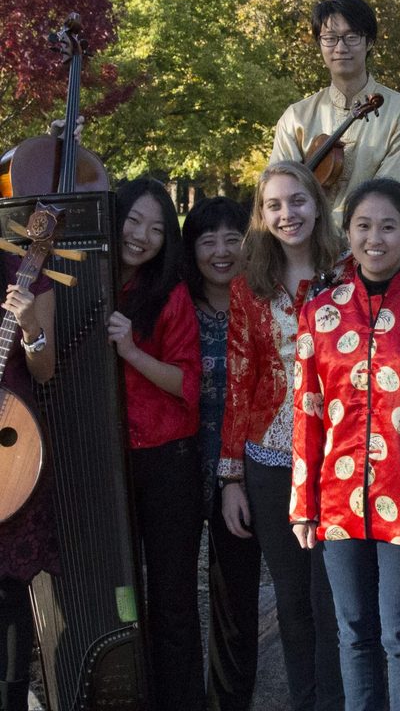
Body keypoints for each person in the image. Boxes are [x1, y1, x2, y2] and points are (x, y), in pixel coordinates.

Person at [291, 178, 400, 711]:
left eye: (388, 226)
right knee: (353, 634)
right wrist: (303, 504)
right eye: (363, 226)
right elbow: (307, 414)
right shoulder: (319, 314)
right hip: (336, 501)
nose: (375, 238)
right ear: (347, 232)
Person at [217, 161, 348, 711]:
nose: (287, 213)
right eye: (274, 205)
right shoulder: (249, 288)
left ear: (317, 205)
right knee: (293, 601)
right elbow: (238, 382)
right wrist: (231, 478)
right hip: (270, 460)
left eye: (297, 200)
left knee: (335, 599)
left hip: (341, 457)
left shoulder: (349, 275)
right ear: (262, 215)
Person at [108, 177, 204, 710]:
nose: (141, 236)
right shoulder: (87, 281)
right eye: (133, 221)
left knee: (171, 597)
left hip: (167, 461)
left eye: (157, 229)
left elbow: (188, 384)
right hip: (107, 461)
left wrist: (132, 352)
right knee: (119, 593)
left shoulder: (170, 294)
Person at [182, 196, 261, 711]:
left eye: (233, 238)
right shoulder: (176, 307)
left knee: (235, 596)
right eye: (208, 240)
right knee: (173, 593)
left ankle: (229, 702)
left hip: (244, 475)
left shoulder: (261, 306)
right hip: (180, 467)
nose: (221, 251)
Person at [269, 0, 400, 223]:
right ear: (319, 43)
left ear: (369, 42)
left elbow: (388, 197)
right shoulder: (296, 117)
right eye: (330, 38)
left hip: (374, 240)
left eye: (352, 37)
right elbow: (279, 191)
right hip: (310, 242)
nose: (340, 47)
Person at [0, 258, 56, 711]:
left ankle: (12, 698)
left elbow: (44, 370)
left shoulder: (26, 274)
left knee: (8, 588)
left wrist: (30, 324)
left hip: (11, 451)